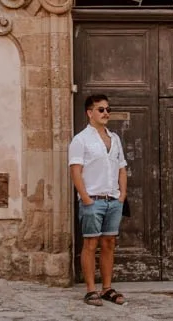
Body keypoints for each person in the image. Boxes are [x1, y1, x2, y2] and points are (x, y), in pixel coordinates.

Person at [68, 93, 128, 306]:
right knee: (90, 244)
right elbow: (76, 171)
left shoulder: (115, 138)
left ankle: (107, 288)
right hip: (92, 200)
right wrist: (85, 198)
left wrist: (122, 195)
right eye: (101, 109)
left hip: (113, 199)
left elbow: (122, 168)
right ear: (89, 112)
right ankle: (91, 290)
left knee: (109, 243)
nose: (106, 113)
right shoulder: (80, 140)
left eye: (108, 110)